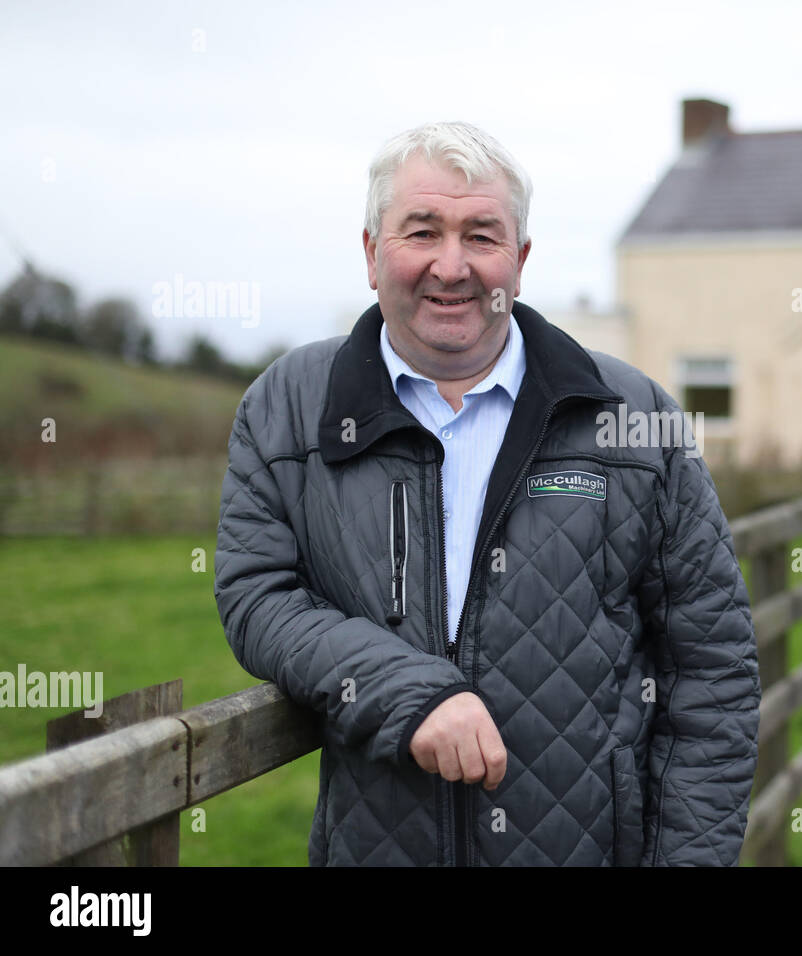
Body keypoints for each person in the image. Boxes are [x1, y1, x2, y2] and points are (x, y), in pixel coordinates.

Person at [213, 121, 762, 866]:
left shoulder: (635, 420)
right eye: (422, 231)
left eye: (481, 236)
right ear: (373, 253)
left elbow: (714, 673)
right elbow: (256, 594)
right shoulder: (289, 408)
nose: (452, 264)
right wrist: (408, 690)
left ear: (520, 261)